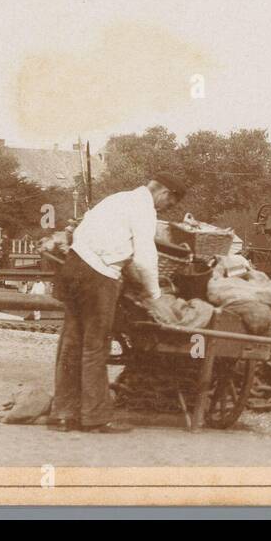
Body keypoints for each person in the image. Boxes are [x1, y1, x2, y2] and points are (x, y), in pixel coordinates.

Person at [50, 173, 186, 433]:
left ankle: (63, 415)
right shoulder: (144, 209)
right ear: (165, 193)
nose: (166, 208)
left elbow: (81, 233)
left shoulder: (117, 199)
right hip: (98, 277)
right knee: (95, 346)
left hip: (73, 266)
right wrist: (154, 294)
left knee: (71, 342)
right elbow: (145, 258)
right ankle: (95, 418)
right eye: (169, 203)